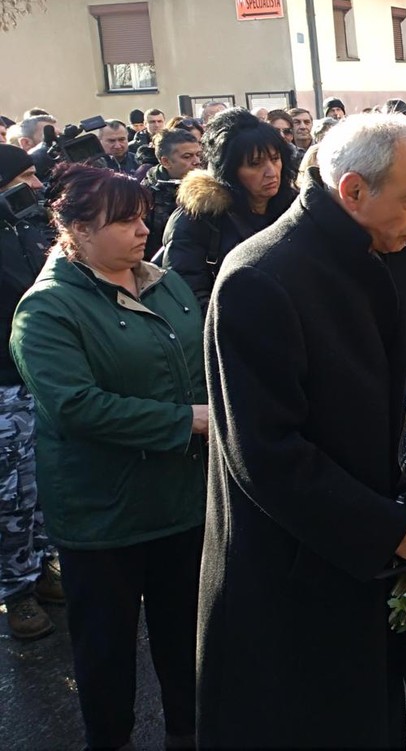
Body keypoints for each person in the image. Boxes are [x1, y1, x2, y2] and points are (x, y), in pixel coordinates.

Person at [197, 114, 406, 748]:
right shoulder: (260, 279)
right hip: (288, 581)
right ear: (352, 192)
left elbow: (379, 404)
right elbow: (266, 457)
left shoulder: (389, 253)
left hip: (356, 564)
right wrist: (395, 530)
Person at [11, 164, 207, 750]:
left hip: (182, 498)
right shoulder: (46, 309)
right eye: (123, 221)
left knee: (187, 637)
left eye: (142, 216)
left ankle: (189, 733)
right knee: (105, 648)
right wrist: (186, 420)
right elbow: (77, 407)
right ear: (74, 231)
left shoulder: (163, 282)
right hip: (105, 512)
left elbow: (198, 362)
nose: (141, 230)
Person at [0, 147, 58, 641]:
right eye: (24, 178)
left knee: (39, 484)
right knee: (9, 495)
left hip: (34, 377)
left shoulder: (28, 227)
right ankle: (15, 593)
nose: (36, 186)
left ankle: (39, 568)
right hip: (2, 388)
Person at [160, 108, 296, 312]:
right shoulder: (197, 217)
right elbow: (188, 296)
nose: (271, 172)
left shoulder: (293, 206)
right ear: (229, 170)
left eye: (275, 159)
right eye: (255, 164)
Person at [143, 128, 203, 260]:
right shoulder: (145, 195)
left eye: (198, 154)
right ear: (165, 162)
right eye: (187, 157)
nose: (197, 161)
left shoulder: (208, 188)